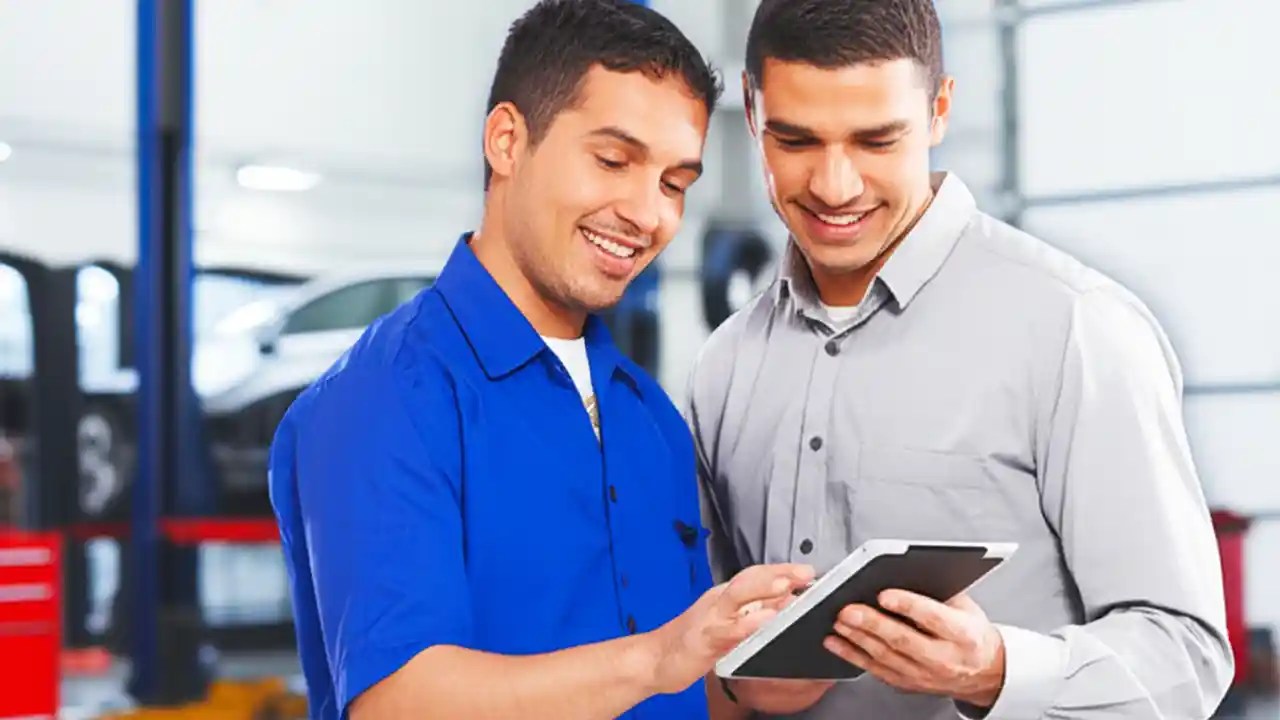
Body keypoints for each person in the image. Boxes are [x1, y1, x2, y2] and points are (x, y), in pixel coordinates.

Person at [688, 1, 1235, 718]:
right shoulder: (724, 366)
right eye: (795, 141)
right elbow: (695, 650)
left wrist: (997, 670)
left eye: (876, 141)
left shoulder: (1076, 329)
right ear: (753, 112)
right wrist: (732, 682)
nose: (834, 186)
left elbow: (1186, 659)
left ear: (940, 109)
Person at [268, 2, 815, 719]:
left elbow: (671, 686)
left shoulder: (648, 417)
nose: (648, 214)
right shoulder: (380, 402)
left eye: (674, 184)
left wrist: (745, 682)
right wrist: (657, 658)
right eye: (613, 161)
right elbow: (398, 703)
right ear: (505, 141)